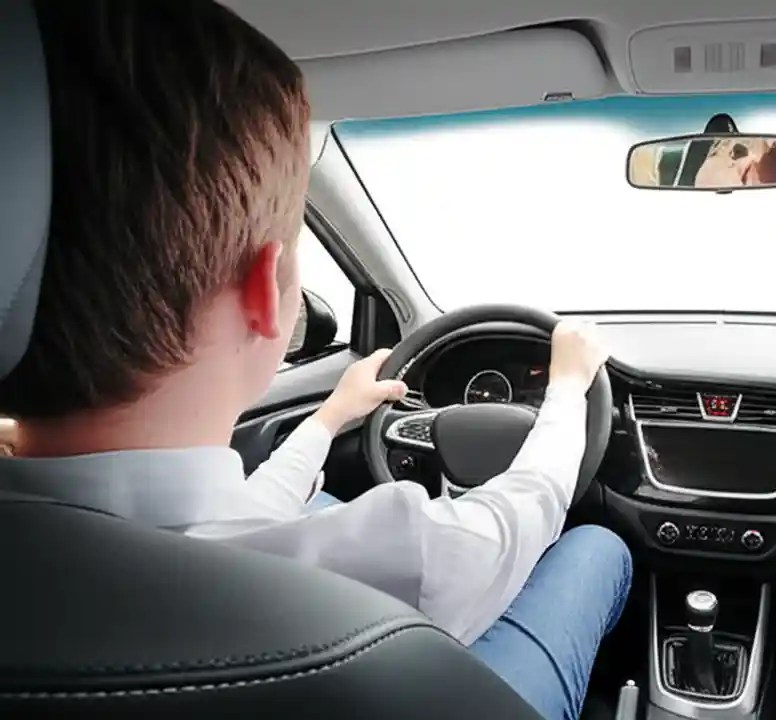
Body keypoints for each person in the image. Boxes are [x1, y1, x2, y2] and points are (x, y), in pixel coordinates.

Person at [0, 3, 630, 720]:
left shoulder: (201, 550)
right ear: (269, 292)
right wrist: (568, 390)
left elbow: (226, 519)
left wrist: (331, 417)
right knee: (596, 547)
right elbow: (519, 516)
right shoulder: (398, 560)